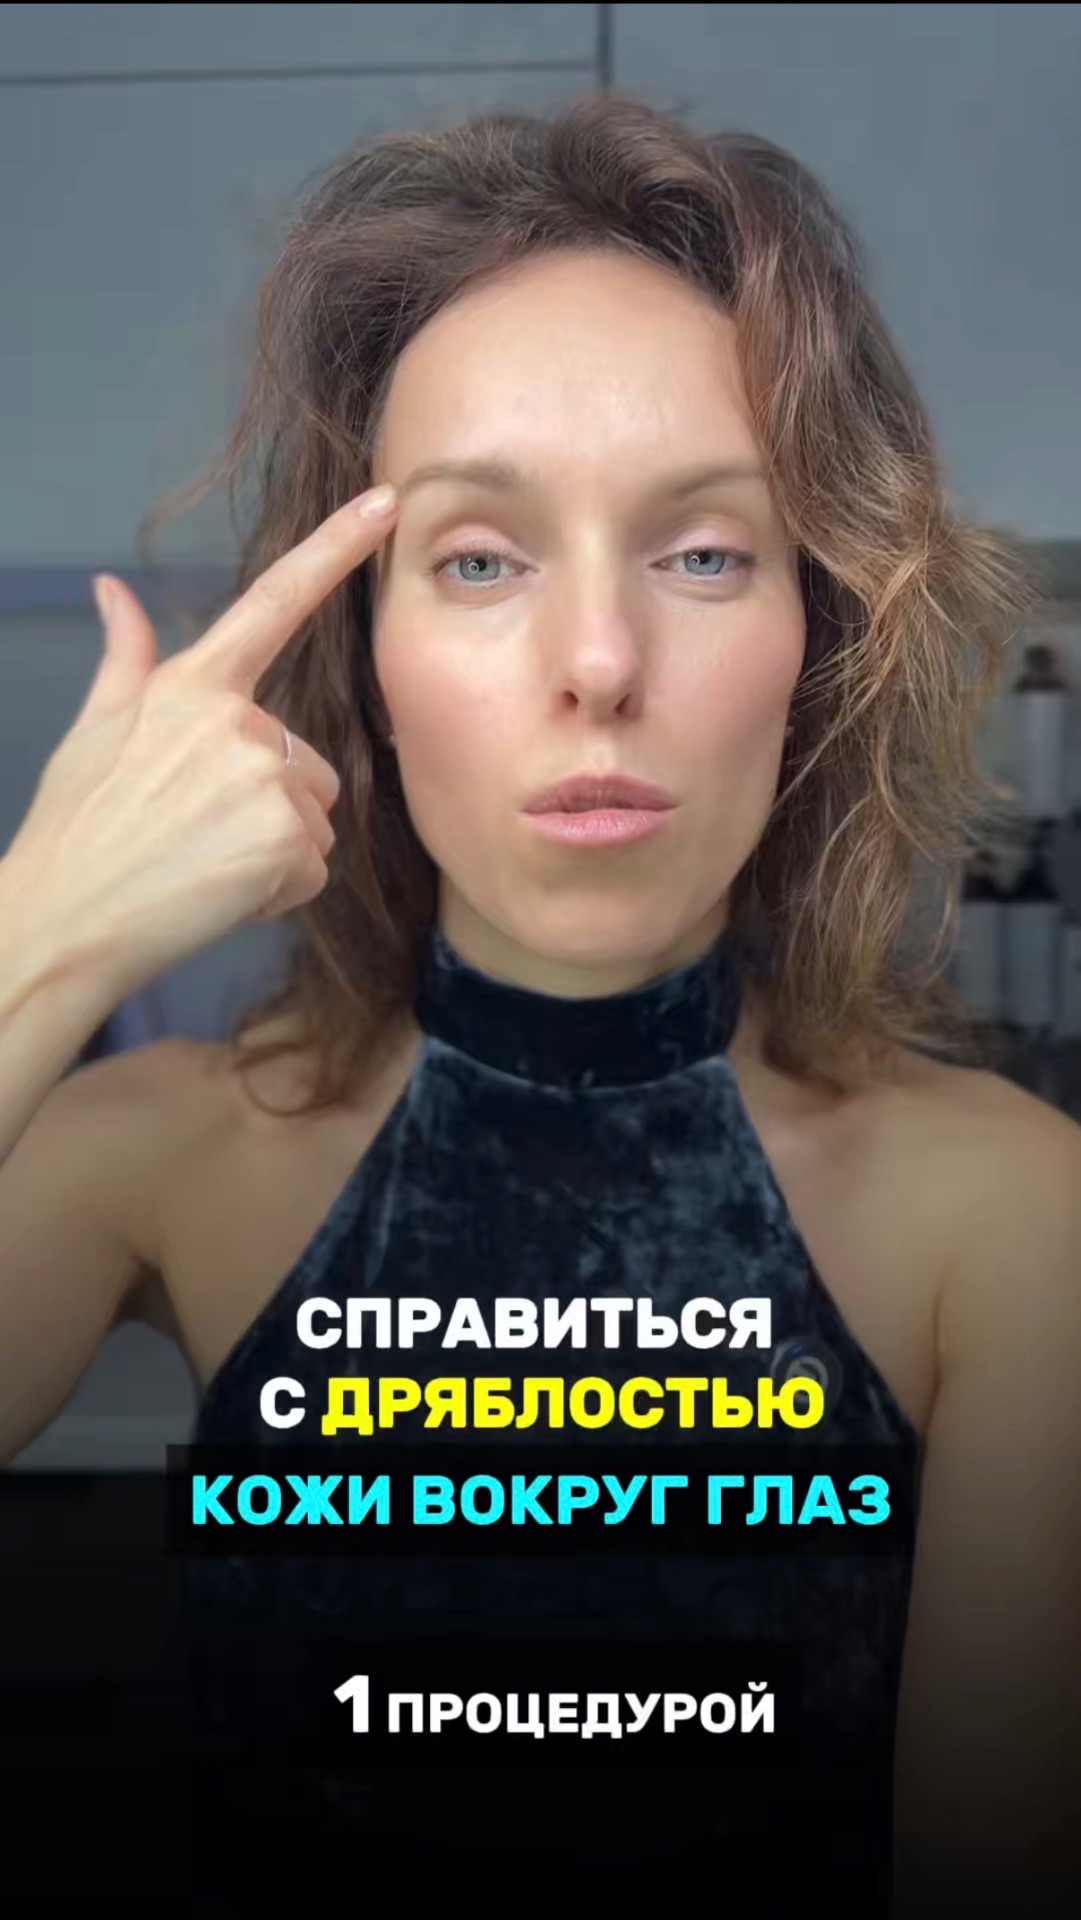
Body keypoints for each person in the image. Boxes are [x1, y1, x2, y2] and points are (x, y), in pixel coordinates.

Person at [0, 92, 1077, 1914]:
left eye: (704, 552)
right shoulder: (153, 1152)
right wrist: (41, 934)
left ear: (818, 642)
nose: (596, 662)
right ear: (367, 654)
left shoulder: (1013, 1215)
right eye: (479, 559)